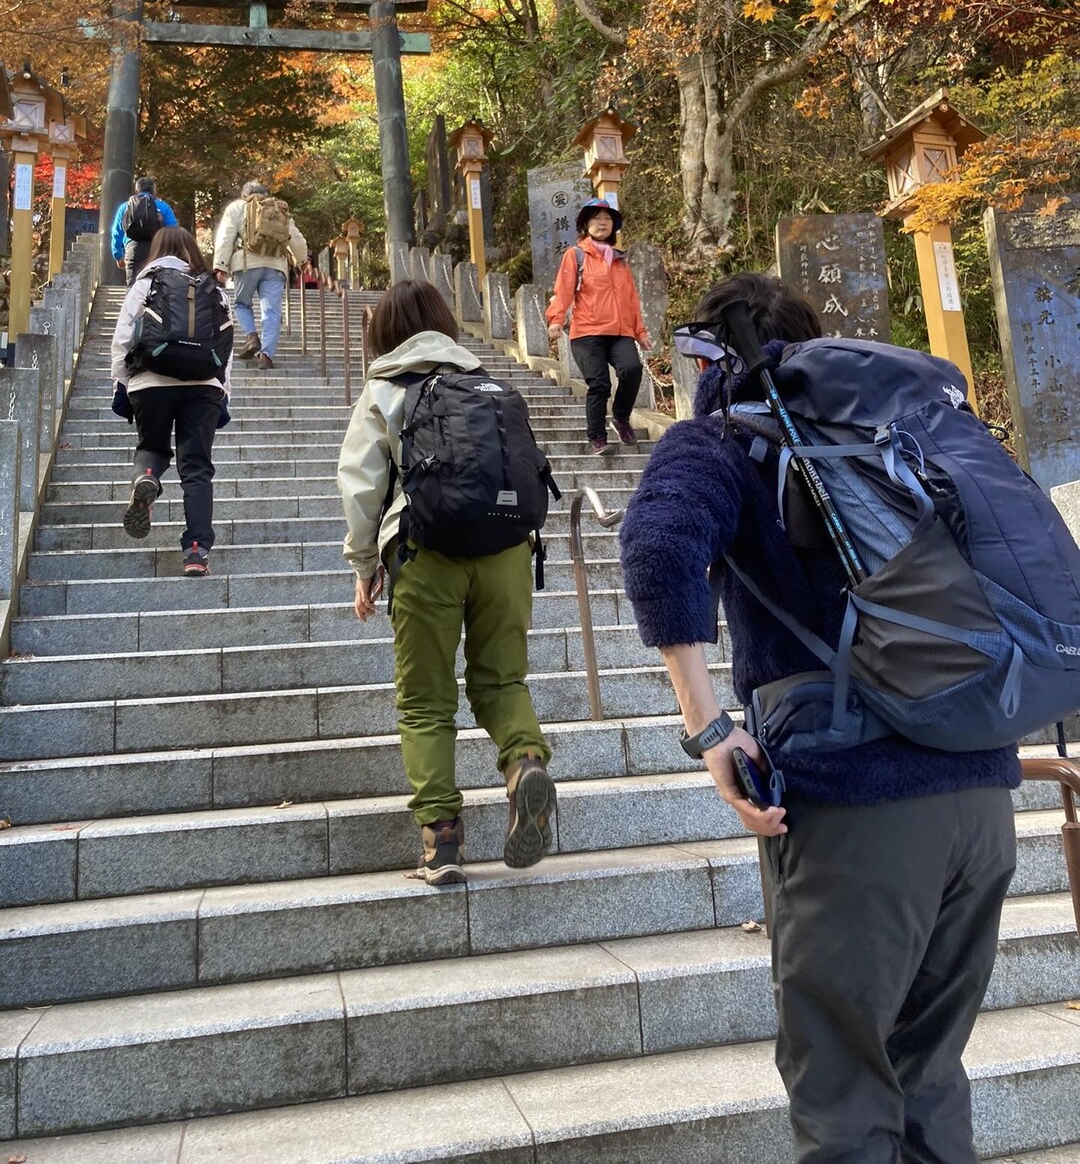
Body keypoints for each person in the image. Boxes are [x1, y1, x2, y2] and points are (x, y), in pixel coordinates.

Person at [619, 271, 1018, 1164]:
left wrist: (710, 728)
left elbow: (655, 549)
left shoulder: (719, 441)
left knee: (843, 1094)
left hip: (855, 810)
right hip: (984, 795)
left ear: (710, 359)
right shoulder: (909, 432)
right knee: (928, 1078)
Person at [337, 279, 557, 887]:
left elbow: (360, 485)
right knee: (501, 679)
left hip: (425, 551)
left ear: (382, 332)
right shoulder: (488, 384)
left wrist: (364, 566)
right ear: (444, 324)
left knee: (426, 700)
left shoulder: (386, 387)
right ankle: (523, 763)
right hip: (507, 550)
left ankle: (442, 841)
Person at [110, 226, 233, 577]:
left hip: (151, 380)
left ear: (157, 250)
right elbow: (226, 345)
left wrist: (121, 384)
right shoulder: (212, 288)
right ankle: (196, 551)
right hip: (204, 384)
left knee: (153, 446)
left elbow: (122, 338)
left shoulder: (146, 283)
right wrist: (223, 392)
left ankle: (147, 475)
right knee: (196, 467)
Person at [545, 199, 652, 455]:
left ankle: (621, 417)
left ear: (614, 225)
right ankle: (597, 438)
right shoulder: (576, 255)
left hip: (620, 331)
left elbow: (631, 299)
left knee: (632, 369)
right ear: (585, 225)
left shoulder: (620, 260)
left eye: (607, 218)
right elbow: (564, 289)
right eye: (595, 218)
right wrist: (556, 319)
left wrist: (640, 331)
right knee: (600, 384)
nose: (602, 222)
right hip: (587, 332)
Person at [213, 180, 307, 370]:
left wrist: (220, 265)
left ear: (244, 194)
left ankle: (251, 336)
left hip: (246, 263)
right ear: (265, 193)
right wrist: (302, 261)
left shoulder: (237, 207)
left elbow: (226, 236)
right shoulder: (278, 209)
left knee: (241, 304)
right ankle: (266, 355)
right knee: (272, 311)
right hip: (276, 265)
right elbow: (294, 237)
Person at [110, 176, 179, 285]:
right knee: (157, 289)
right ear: (154, 191)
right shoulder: (164, 207)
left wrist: (118, 256)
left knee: (133, 287)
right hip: (157, 250)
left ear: (137, 190)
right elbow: (173, 233)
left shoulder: (125, 207)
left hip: (133, 250)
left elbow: (116, 233)